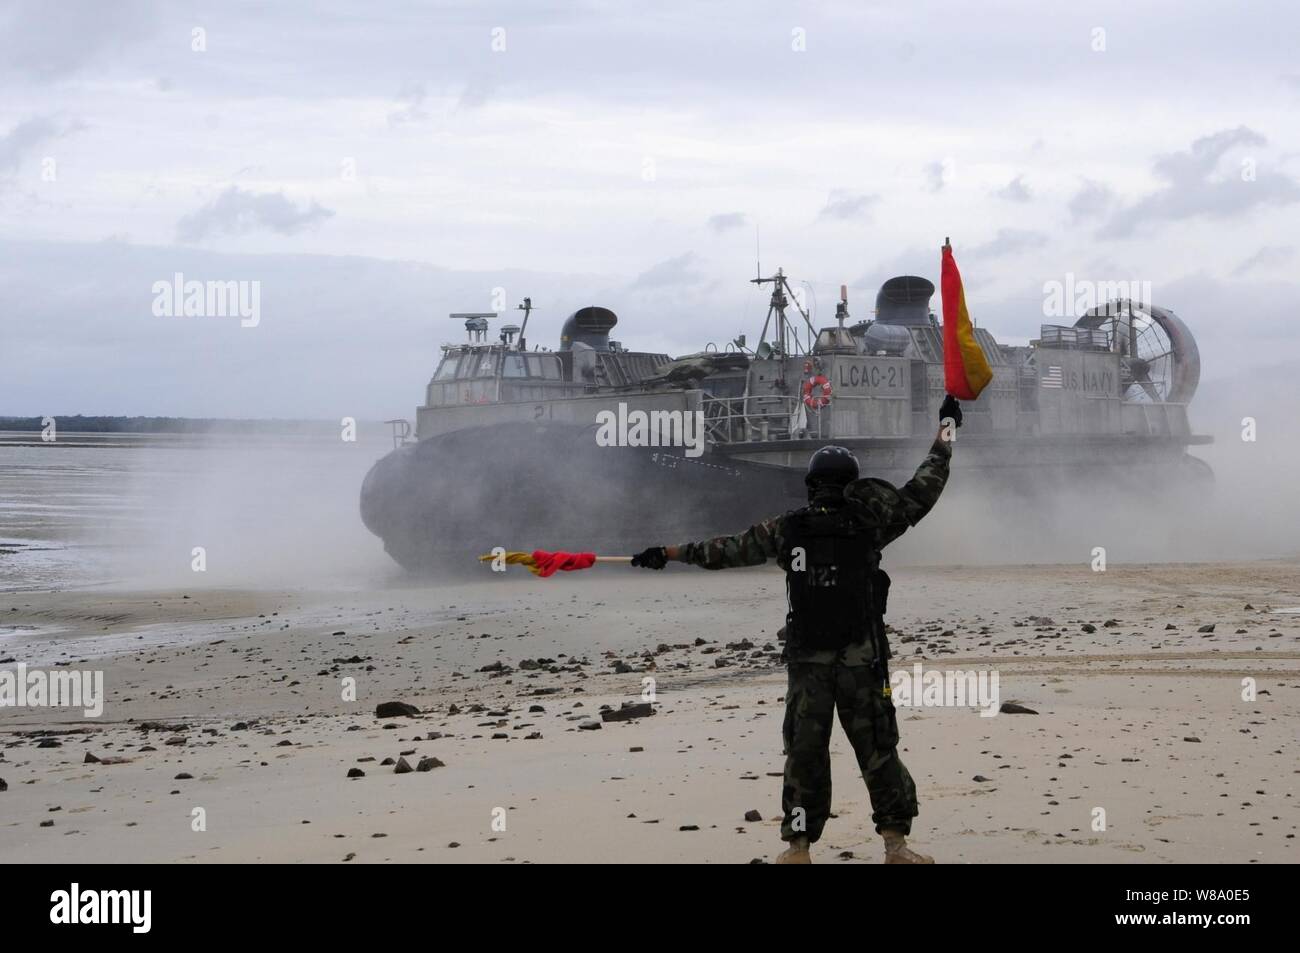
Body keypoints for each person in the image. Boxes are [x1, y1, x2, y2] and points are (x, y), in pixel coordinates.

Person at [631, 395, 962, 864]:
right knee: (878, 750)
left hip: (808, 661)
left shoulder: (787, 530)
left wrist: (665, 553)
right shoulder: (871, 522)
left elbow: (723, 550)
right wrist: (946, 430)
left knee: (805, 753)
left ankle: (799, 848)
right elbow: (925, 487)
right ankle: (895, 846)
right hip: (861, 658)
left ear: (811, 486)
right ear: (850, 484)